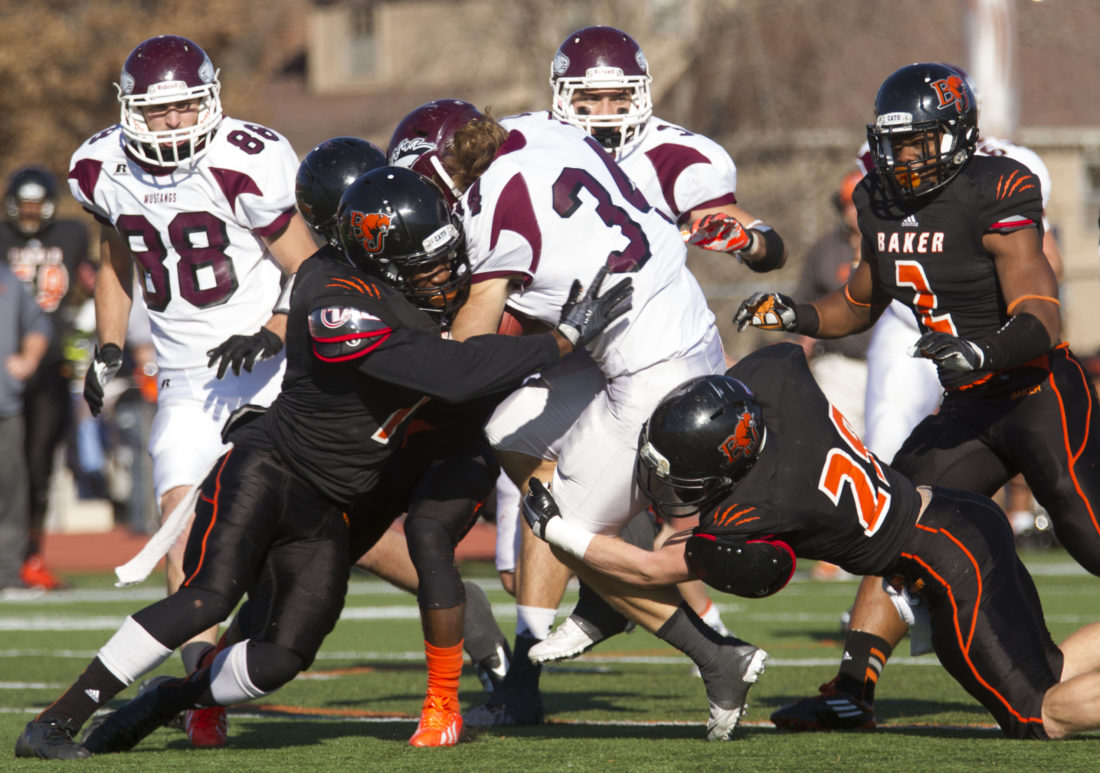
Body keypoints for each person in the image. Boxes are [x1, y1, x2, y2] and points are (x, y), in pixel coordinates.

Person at [14, 166, 629, 759]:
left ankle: (165, 701)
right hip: (270, 471)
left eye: (445, 259)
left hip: (329, 509)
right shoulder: (336, 295)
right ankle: (55, 721)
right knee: (207, 597)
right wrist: (560, 339)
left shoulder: (392, 286)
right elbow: (452, 373)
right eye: (424, 266)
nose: (442, 276)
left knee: (282, 657)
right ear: (377, 260)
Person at [733, 62, 1100, 731]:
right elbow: (858, 302)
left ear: (956, 135)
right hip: (969, 403)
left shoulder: (998, 187)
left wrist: (985, 350)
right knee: (896, 517)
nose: (903, 157)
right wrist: (798, 316)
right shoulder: (876, 198)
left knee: (1086, 525)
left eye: (918, 142)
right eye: (895, 142)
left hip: (1038, 389)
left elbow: (1042, 311)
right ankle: (852, 688)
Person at [388, 99, 768, 741]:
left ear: (448, 169)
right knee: (507, 428)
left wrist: (408, 358)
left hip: (653, 371)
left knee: (563, 529)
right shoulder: (542, 127)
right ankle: (604, 589)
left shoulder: (487, 213)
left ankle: (716, 656)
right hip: (655, 322)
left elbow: (468, 353)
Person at [523, 342, 1100, 740]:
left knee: (1035, 716)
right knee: (1043, 668)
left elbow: (649, 572)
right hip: (959, 513)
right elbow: (764, 368)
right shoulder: (777, 384)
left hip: (950, 558)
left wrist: (557, 530)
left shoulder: (759, 507)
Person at [67, 35, 318, 747]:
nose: (173, 124)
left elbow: (308, 264)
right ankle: (201, 692)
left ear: (208, 102)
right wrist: (109, 343)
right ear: (130, 113)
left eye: (184, 109)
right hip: (185, 381)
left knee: (327, 533)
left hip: (272, 374)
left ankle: (462, 625)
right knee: (185, 525)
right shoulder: (99, 165)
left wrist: (273, 328)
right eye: (159, 112)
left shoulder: (246, 157)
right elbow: (119, 253)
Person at [516, 24, 791, 664]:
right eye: (588, 101)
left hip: (648, 349)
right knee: (522, 466)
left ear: (642, 96)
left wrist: (749, 240)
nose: (605, 114)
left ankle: (599, 624)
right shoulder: (534, 139)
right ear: (560, 99)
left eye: (618, 99)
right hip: (570, 348)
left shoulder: (678, 157)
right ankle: (581, 613)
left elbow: (763, 240)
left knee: (582, 513)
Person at [293, 135, 512, 694]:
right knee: (307, 541)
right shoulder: (335, 285)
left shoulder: (468, 248)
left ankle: (482, 684)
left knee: (504, 547)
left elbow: (467, 364)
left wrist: (557, 340)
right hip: (392, 437)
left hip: (476, 425)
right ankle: (206, 682)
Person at [0, 166, 90, 590]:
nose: (32, 214)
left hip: (51, 362)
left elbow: (91, 277)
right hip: (7, 364)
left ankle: (30, 556)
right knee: (9, 467)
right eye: (26, 206)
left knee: (38, 466)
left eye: (39, 206)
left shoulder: (71, 233)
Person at [0, 259, 50, 595]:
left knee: (10, 493)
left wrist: (29, 359)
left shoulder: (7, 279)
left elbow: (39, 325)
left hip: (5, 406)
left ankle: (6, 573)